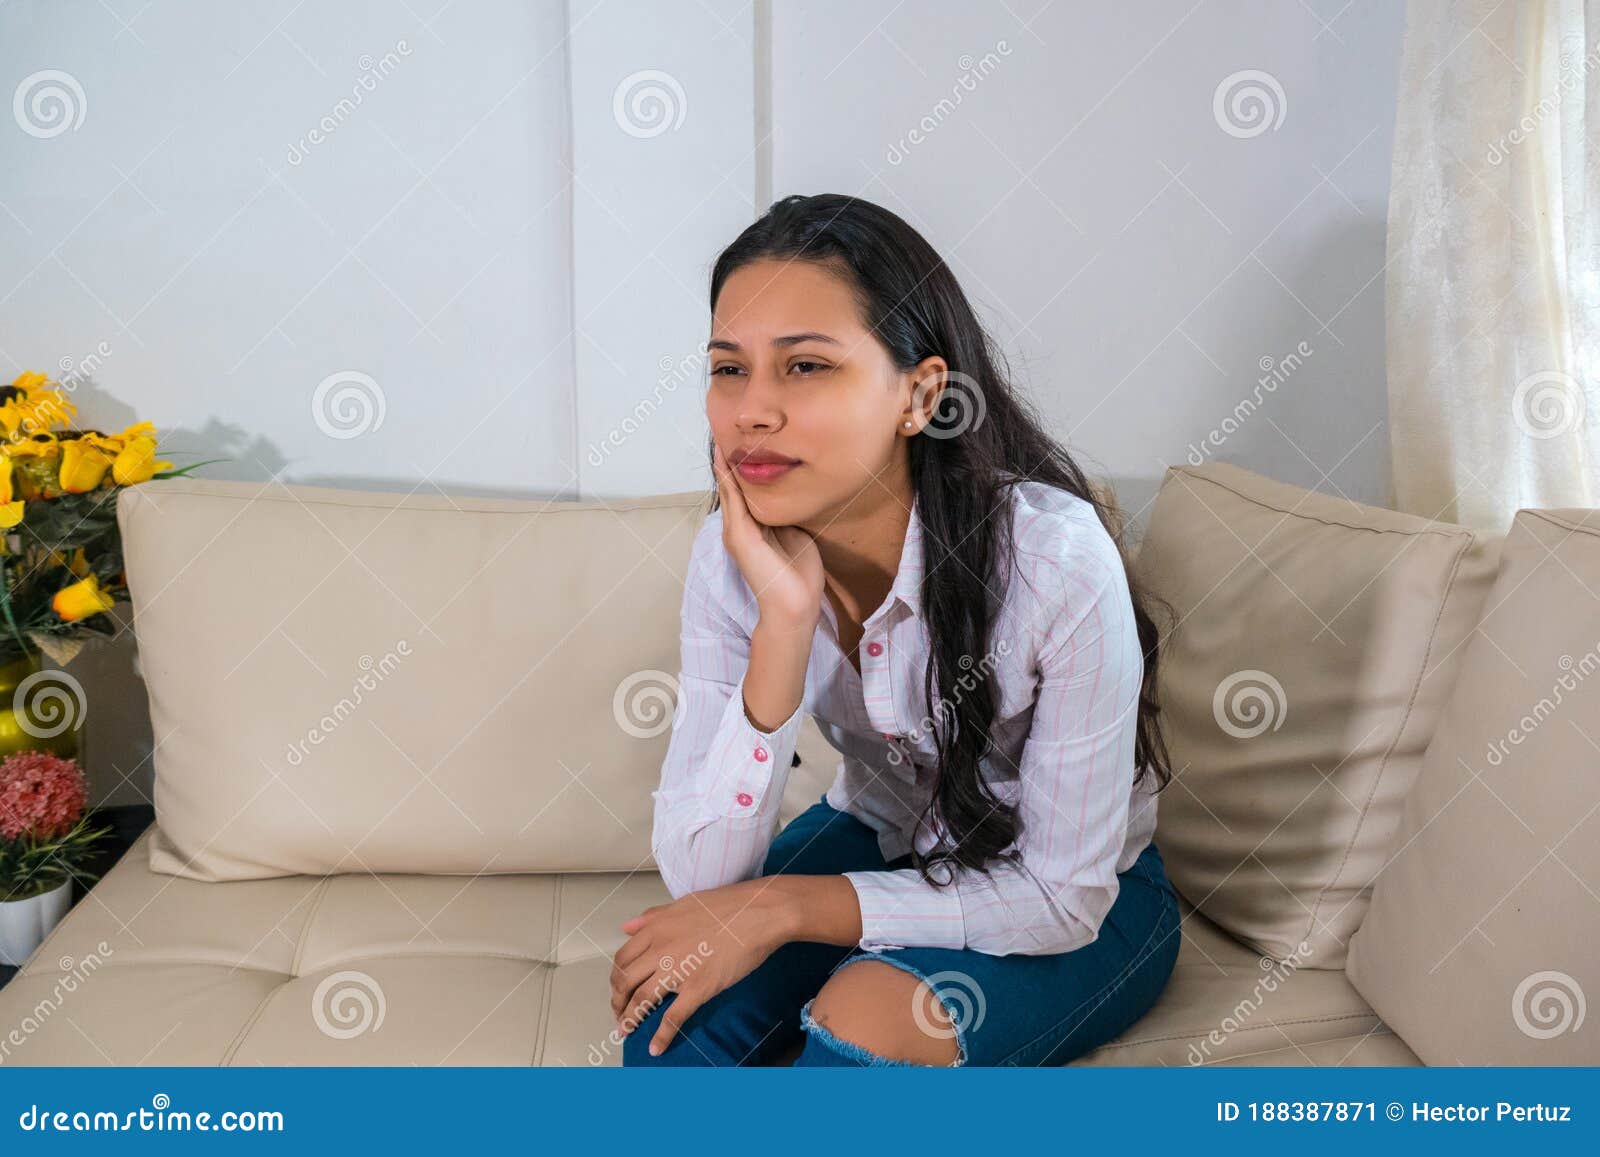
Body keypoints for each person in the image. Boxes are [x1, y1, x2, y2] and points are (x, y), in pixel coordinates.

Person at [613, 193, 1181, 1067]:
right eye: (729, 369)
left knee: (866, 1019)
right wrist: (785, 625)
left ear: (918, 395)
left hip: (1080, 905)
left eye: (804, 367)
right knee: (672, 1017)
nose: (750, 410)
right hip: (887, 838)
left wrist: (789, 910)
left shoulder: (1053, 560)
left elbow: (1062, 894)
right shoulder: (731, 560)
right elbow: (702, 883)